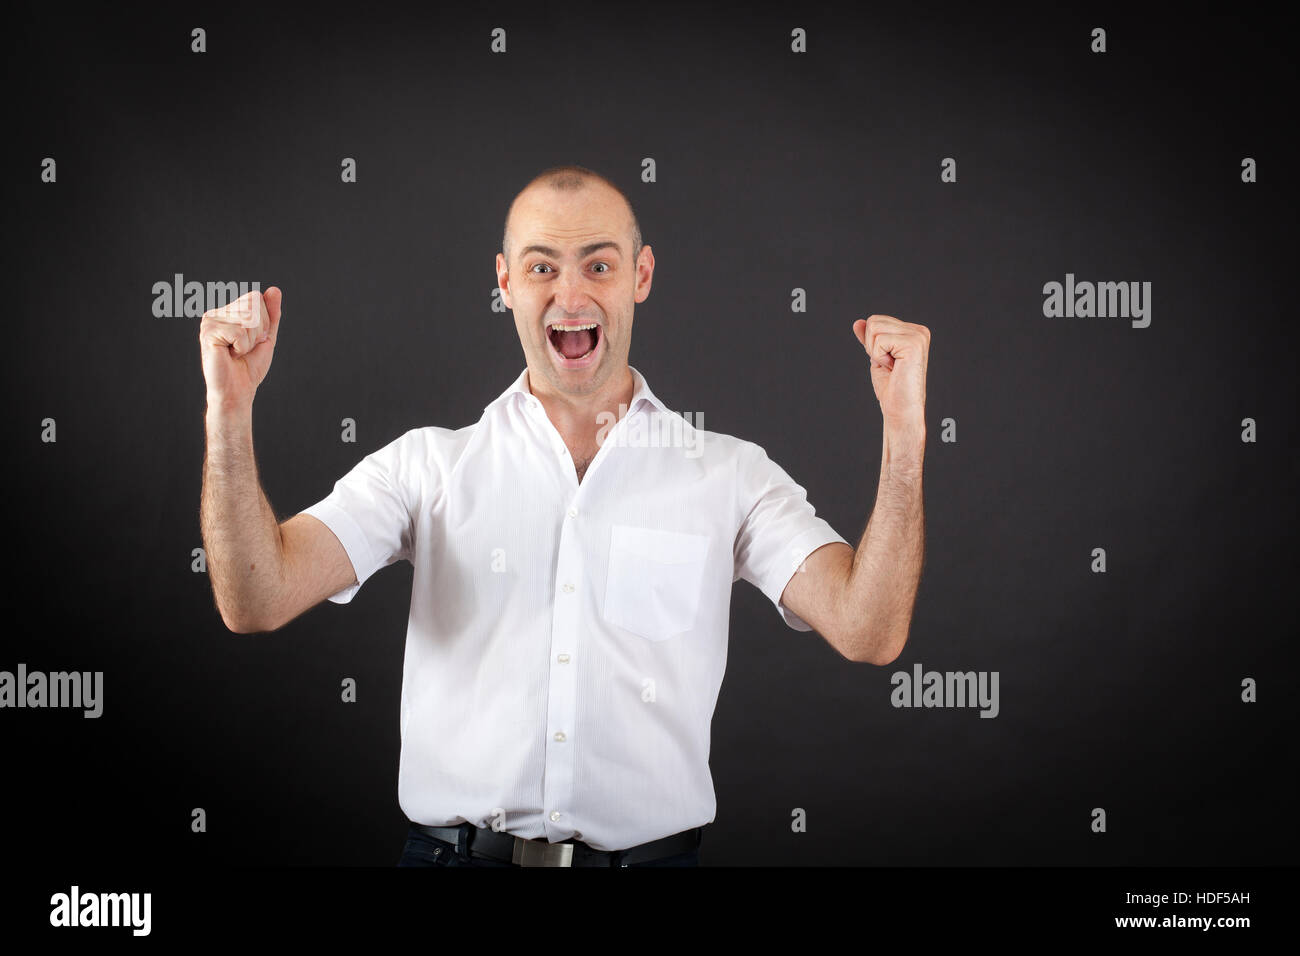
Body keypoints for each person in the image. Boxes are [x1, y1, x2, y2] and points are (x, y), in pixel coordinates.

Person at [198, 164, 931, 867]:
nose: (571, 294)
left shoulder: (729, 474)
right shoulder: (423, 468)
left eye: (600, 265)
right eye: (543, 266)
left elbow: (868, 630)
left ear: (641, 276)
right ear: (506, 282)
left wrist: (904, 436)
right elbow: (256, 599)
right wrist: (229, 414)